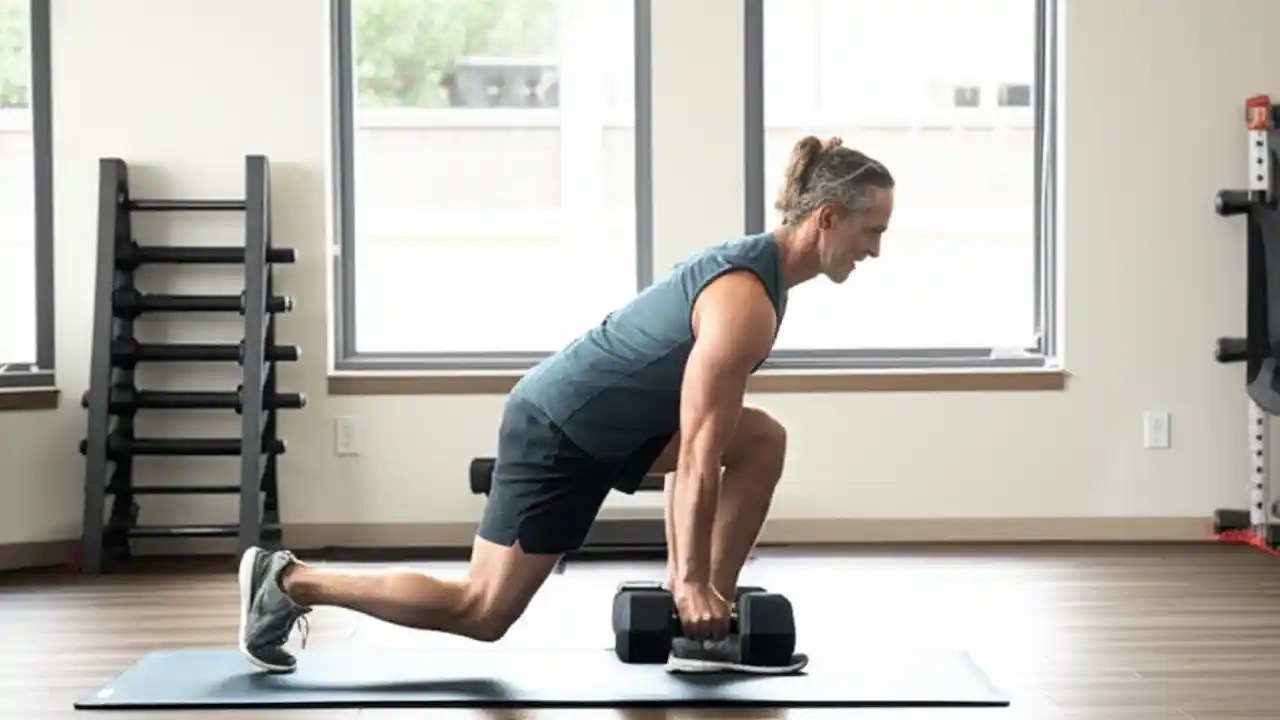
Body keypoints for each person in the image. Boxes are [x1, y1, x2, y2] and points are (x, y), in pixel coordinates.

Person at [236, 135, 894, 673]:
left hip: (622, 428)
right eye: (872, 230)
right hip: (560, 427)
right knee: (481, 610)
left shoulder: (764, 282)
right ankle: (290, 581)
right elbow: (696, 450)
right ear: (828, 218)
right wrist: (685, 578)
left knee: (761, 440)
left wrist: (692, 580)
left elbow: (706, 442)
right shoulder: (745, 299)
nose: (875, 250)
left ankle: (702, 625)